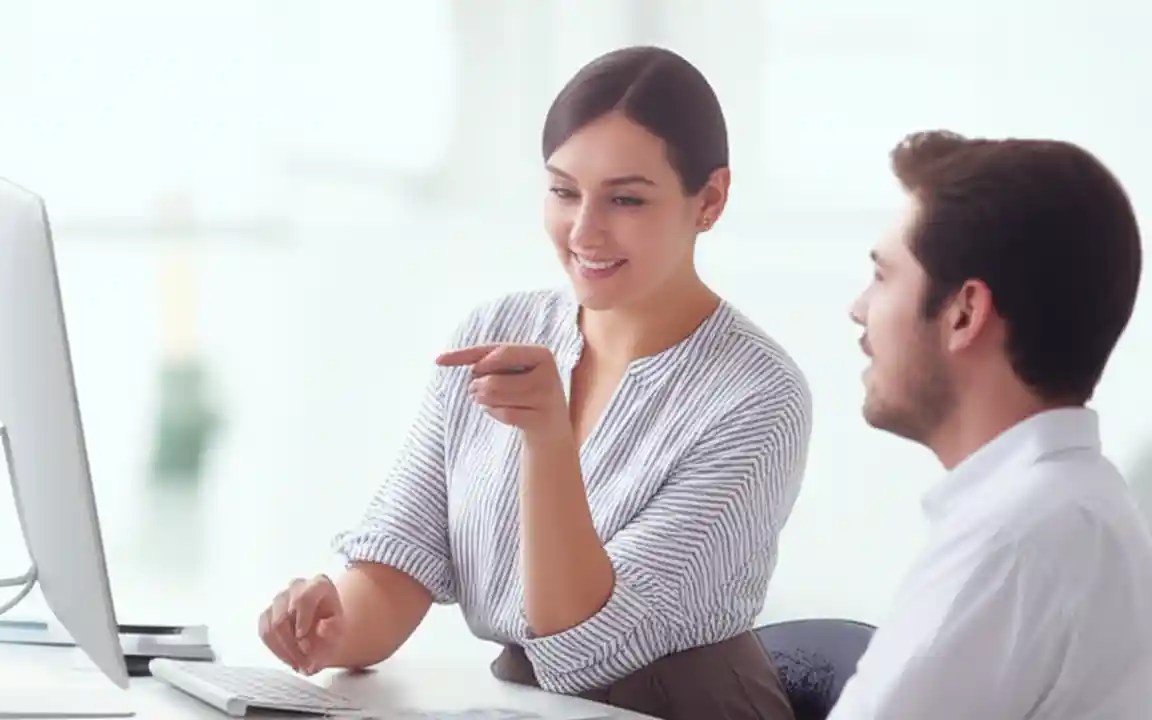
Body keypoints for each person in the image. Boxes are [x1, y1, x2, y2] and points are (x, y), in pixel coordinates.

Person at [258, 46, 811, 719]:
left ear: (711, 199)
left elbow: (583, 643)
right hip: (530, 702)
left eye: (626, 198)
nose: (584, 230)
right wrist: (330, 626)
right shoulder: (496, 328)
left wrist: (547, 439)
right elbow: (400, 558)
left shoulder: (758, 396)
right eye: (562, 191)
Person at [830, 130, 1152, 718]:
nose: (858, 308)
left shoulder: (1017, 540)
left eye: (883, 276)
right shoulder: (1073, 510)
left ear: (964, 313)